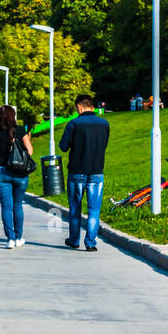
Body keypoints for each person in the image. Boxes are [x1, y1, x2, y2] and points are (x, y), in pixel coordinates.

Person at [59, 94, 111, 252]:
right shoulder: (105, 124)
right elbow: (104, 145)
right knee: (94, 209)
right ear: (92, 107)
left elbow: (63, 147)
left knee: (75, 207)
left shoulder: (74, 124)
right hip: (97, 171)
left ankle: (74, 240)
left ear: (79, 107)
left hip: (77, 171)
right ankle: (90, 243)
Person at [0, 105, 34, 248]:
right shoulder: (20, 130)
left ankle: (10, 239)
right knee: (17, 205)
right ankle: (19, 237)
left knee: (6, 207)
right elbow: (30, 151)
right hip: (19, 173)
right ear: (13, 115)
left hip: (1, 171)